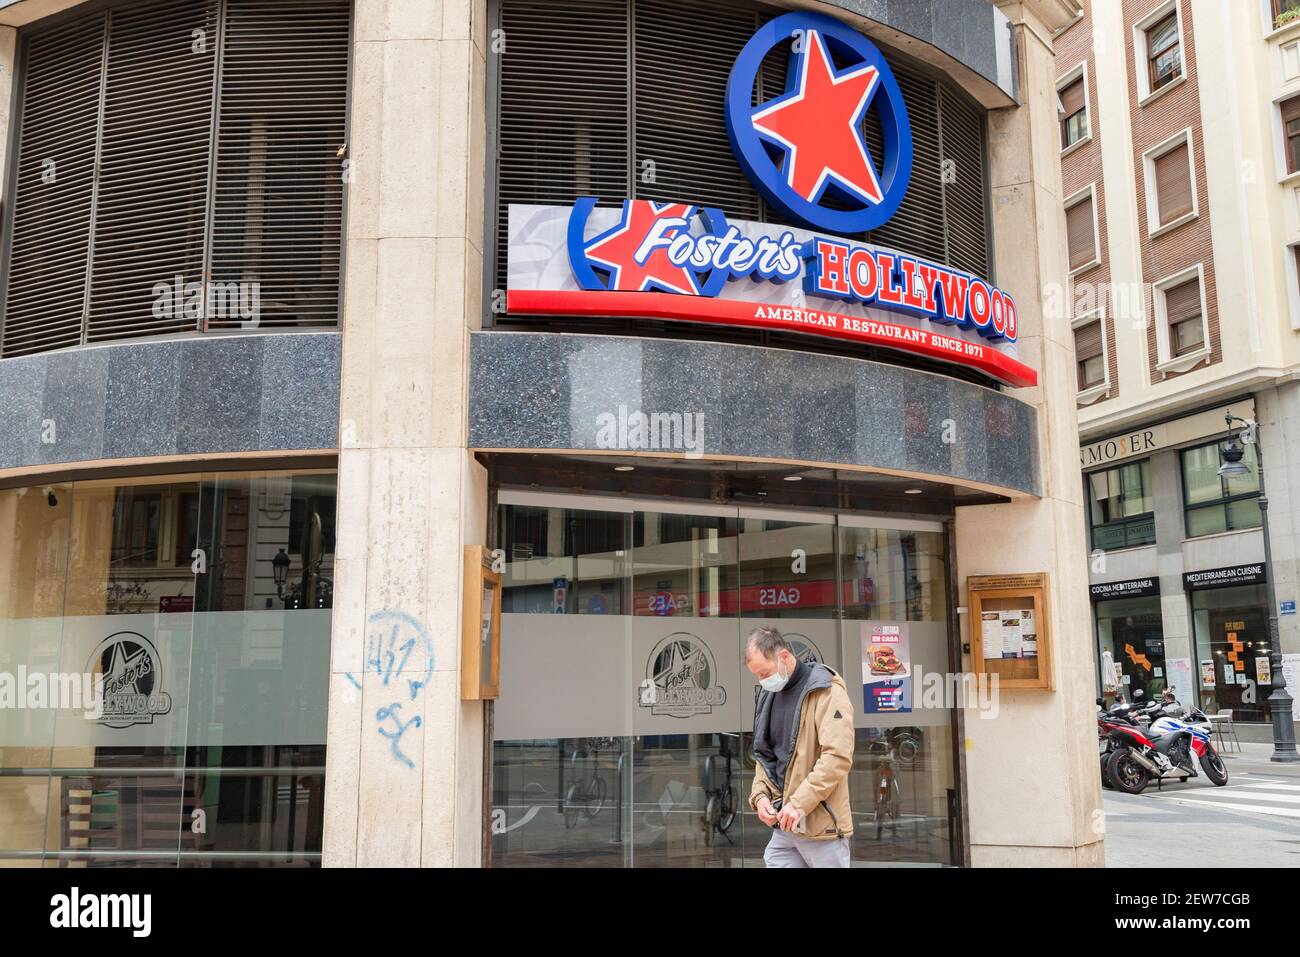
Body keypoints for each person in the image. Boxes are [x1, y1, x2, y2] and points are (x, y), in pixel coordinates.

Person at [745, 626, 854, 867]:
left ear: (784, 656)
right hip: (785, 825)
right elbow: (765, 755)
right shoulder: (768, 696)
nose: (762, 681)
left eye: (765, 672)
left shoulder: (827, 691)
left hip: (820, 827)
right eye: (757, 675)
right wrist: (760, 796)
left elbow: (837, 757)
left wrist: (799, 803)